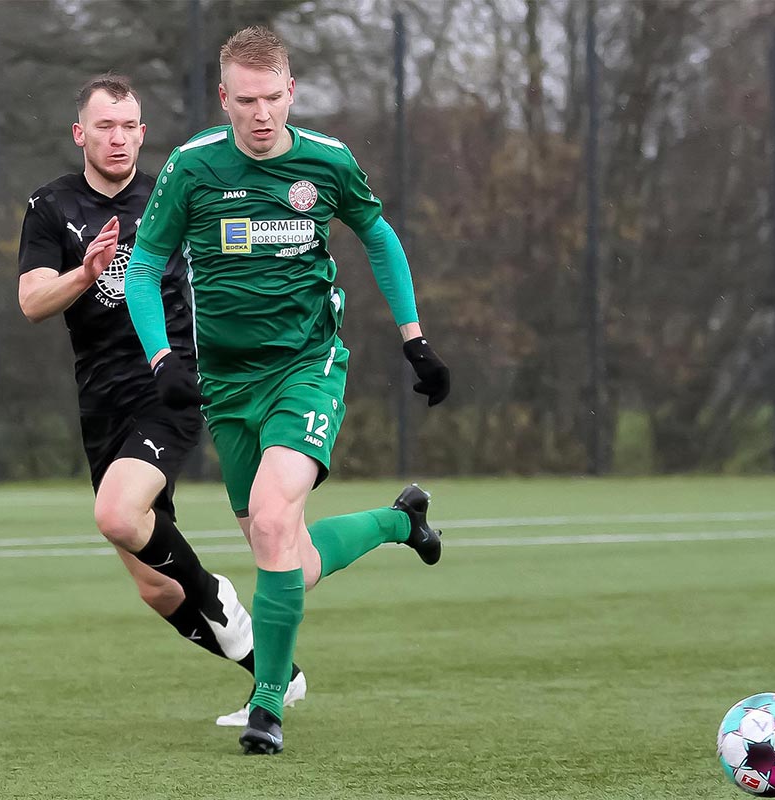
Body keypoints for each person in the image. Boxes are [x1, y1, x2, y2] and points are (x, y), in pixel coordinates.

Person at [125, 27, 451, 755]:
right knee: (289, 558)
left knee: (273, 522)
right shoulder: (192, 168)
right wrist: (160, 358)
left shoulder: (326, 163)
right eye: (247, 100)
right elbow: (144, 267)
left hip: (307, 367)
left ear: (291, 92)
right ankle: (401, 522)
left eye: (273, 97)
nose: (262, 113)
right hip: (225, 385)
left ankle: (267, 703)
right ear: (224, 99)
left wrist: (414, 338)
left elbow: (379, 236)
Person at [16, 74, 305, 727]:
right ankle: (275, 676)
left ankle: (220, 599)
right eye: (104, 127)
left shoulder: (174, 195)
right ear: (80, 133)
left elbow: (233, 260)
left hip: (168, 385)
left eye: (128, 127)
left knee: (118, 516)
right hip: (101, 402)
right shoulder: (50, 206)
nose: (117, 139)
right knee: (153, 586)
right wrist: (84, 275)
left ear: (142, 134)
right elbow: (32, 302)